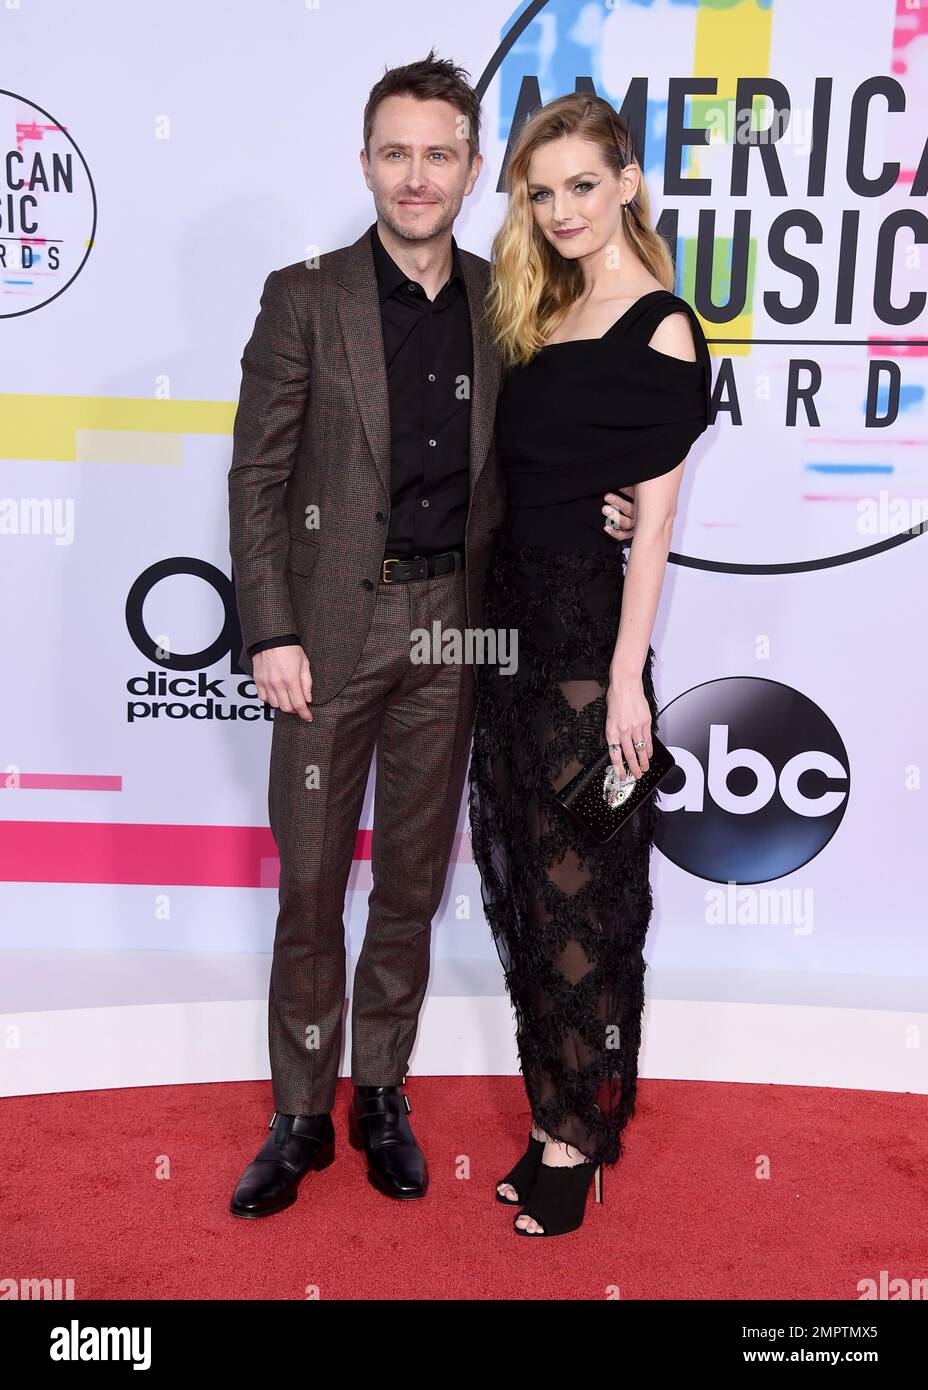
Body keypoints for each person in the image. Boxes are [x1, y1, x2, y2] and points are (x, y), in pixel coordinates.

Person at [226, 55, 631, 1218]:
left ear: (470, 169)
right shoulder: (301, 296)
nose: (416, 176)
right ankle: (299, 1112)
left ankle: (381, 1094)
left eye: (439, 154)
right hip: (329, 630)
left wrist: (611, 501)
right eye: (395, 152)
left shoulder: (504, 301)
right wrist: (271, 629)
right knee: (309, 881)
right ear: (366, 161)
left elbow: (544, 451)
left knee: (408, 881)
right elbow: (256, 478)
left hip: (457, 630)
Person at [467, 93, 713, 1237]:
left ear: (626, 182)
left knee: (580, 901)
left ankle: (576, 1138)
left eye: (581, 184)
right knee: (523, 881)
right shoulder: (546, 311)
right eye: (540, 190)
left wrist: (625, 679)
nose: (562, 209)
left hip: (579, 647)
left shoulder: (660, 323)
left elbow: (652, 524)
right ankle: (551, 1113)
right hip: (507, 637)